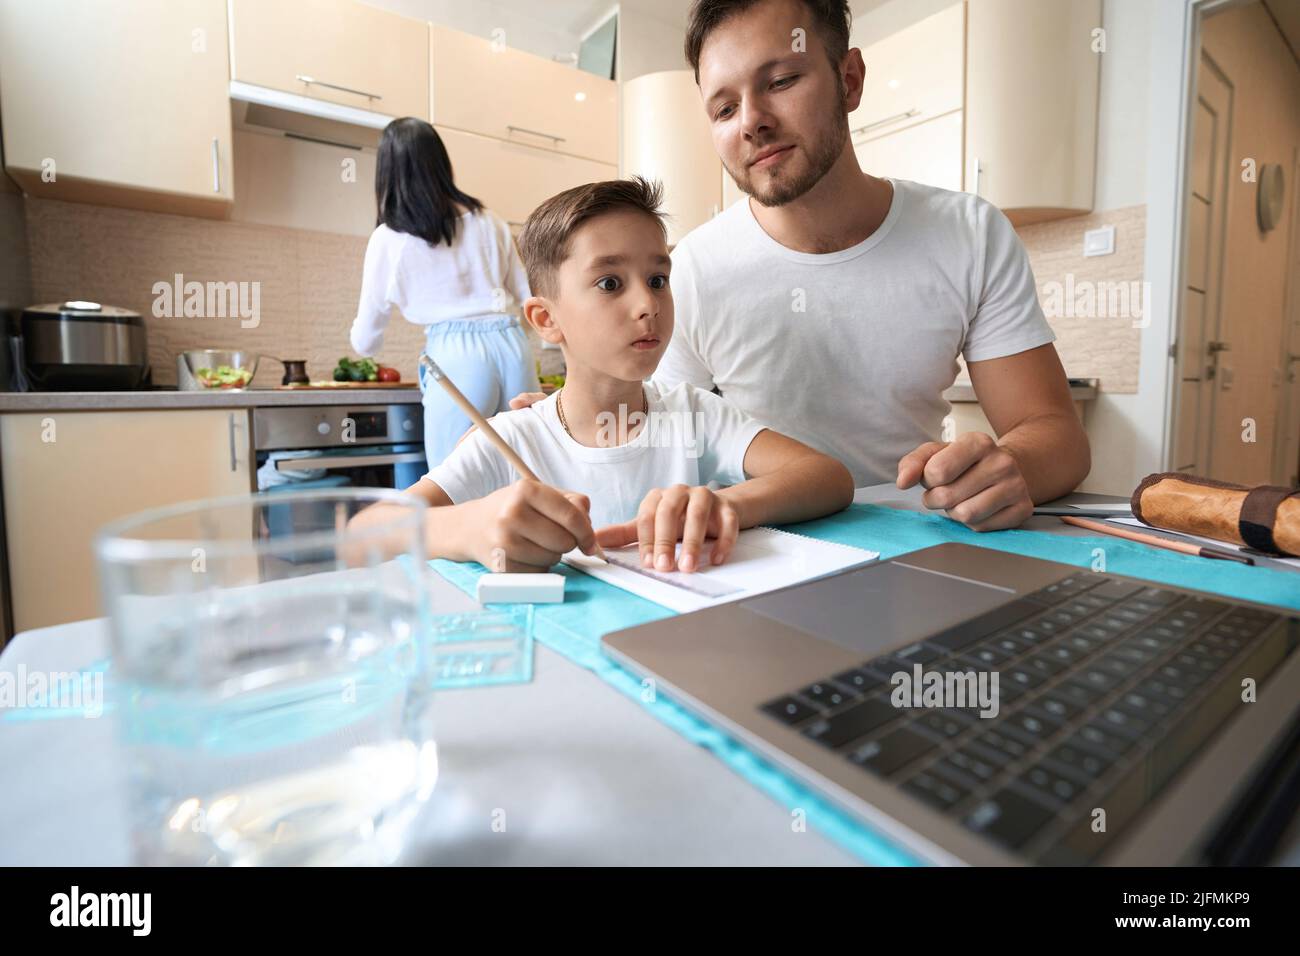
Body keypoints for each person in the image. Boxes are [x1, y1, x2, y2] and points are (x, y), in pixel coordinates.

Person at [513, 0, 1091, 532]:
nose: (751, 122)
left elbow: (1056, 436)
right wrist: (569, 423)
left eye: (782, 81)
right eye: (723, 107)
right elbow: (660, 429)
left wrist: (1010, 466)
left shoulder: (969, 233)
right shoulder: (687, 271)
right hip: (755, 548)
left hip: (920, 536)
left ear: (850, 79)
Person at [349, 177, 854, 573]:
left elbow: (828, 478)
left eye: (658, 279)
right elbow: (361, 536)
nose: (648, 304)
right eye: (610, 282)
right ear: (547, 320)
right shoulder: (512, 437)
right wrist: (467, 527)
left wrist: (724, 505)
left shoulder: (693, 413)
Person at [350, 117, 540, 468]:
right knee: (528, 471)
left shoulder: (389, 239)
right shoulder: (489, 220)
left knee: (453, 481)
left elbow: (366, 340)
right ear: (442, 162)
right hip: (514, 347)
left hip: (455, 359)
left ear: (387, 174)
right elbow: (530, 295)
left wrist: (363, 346)